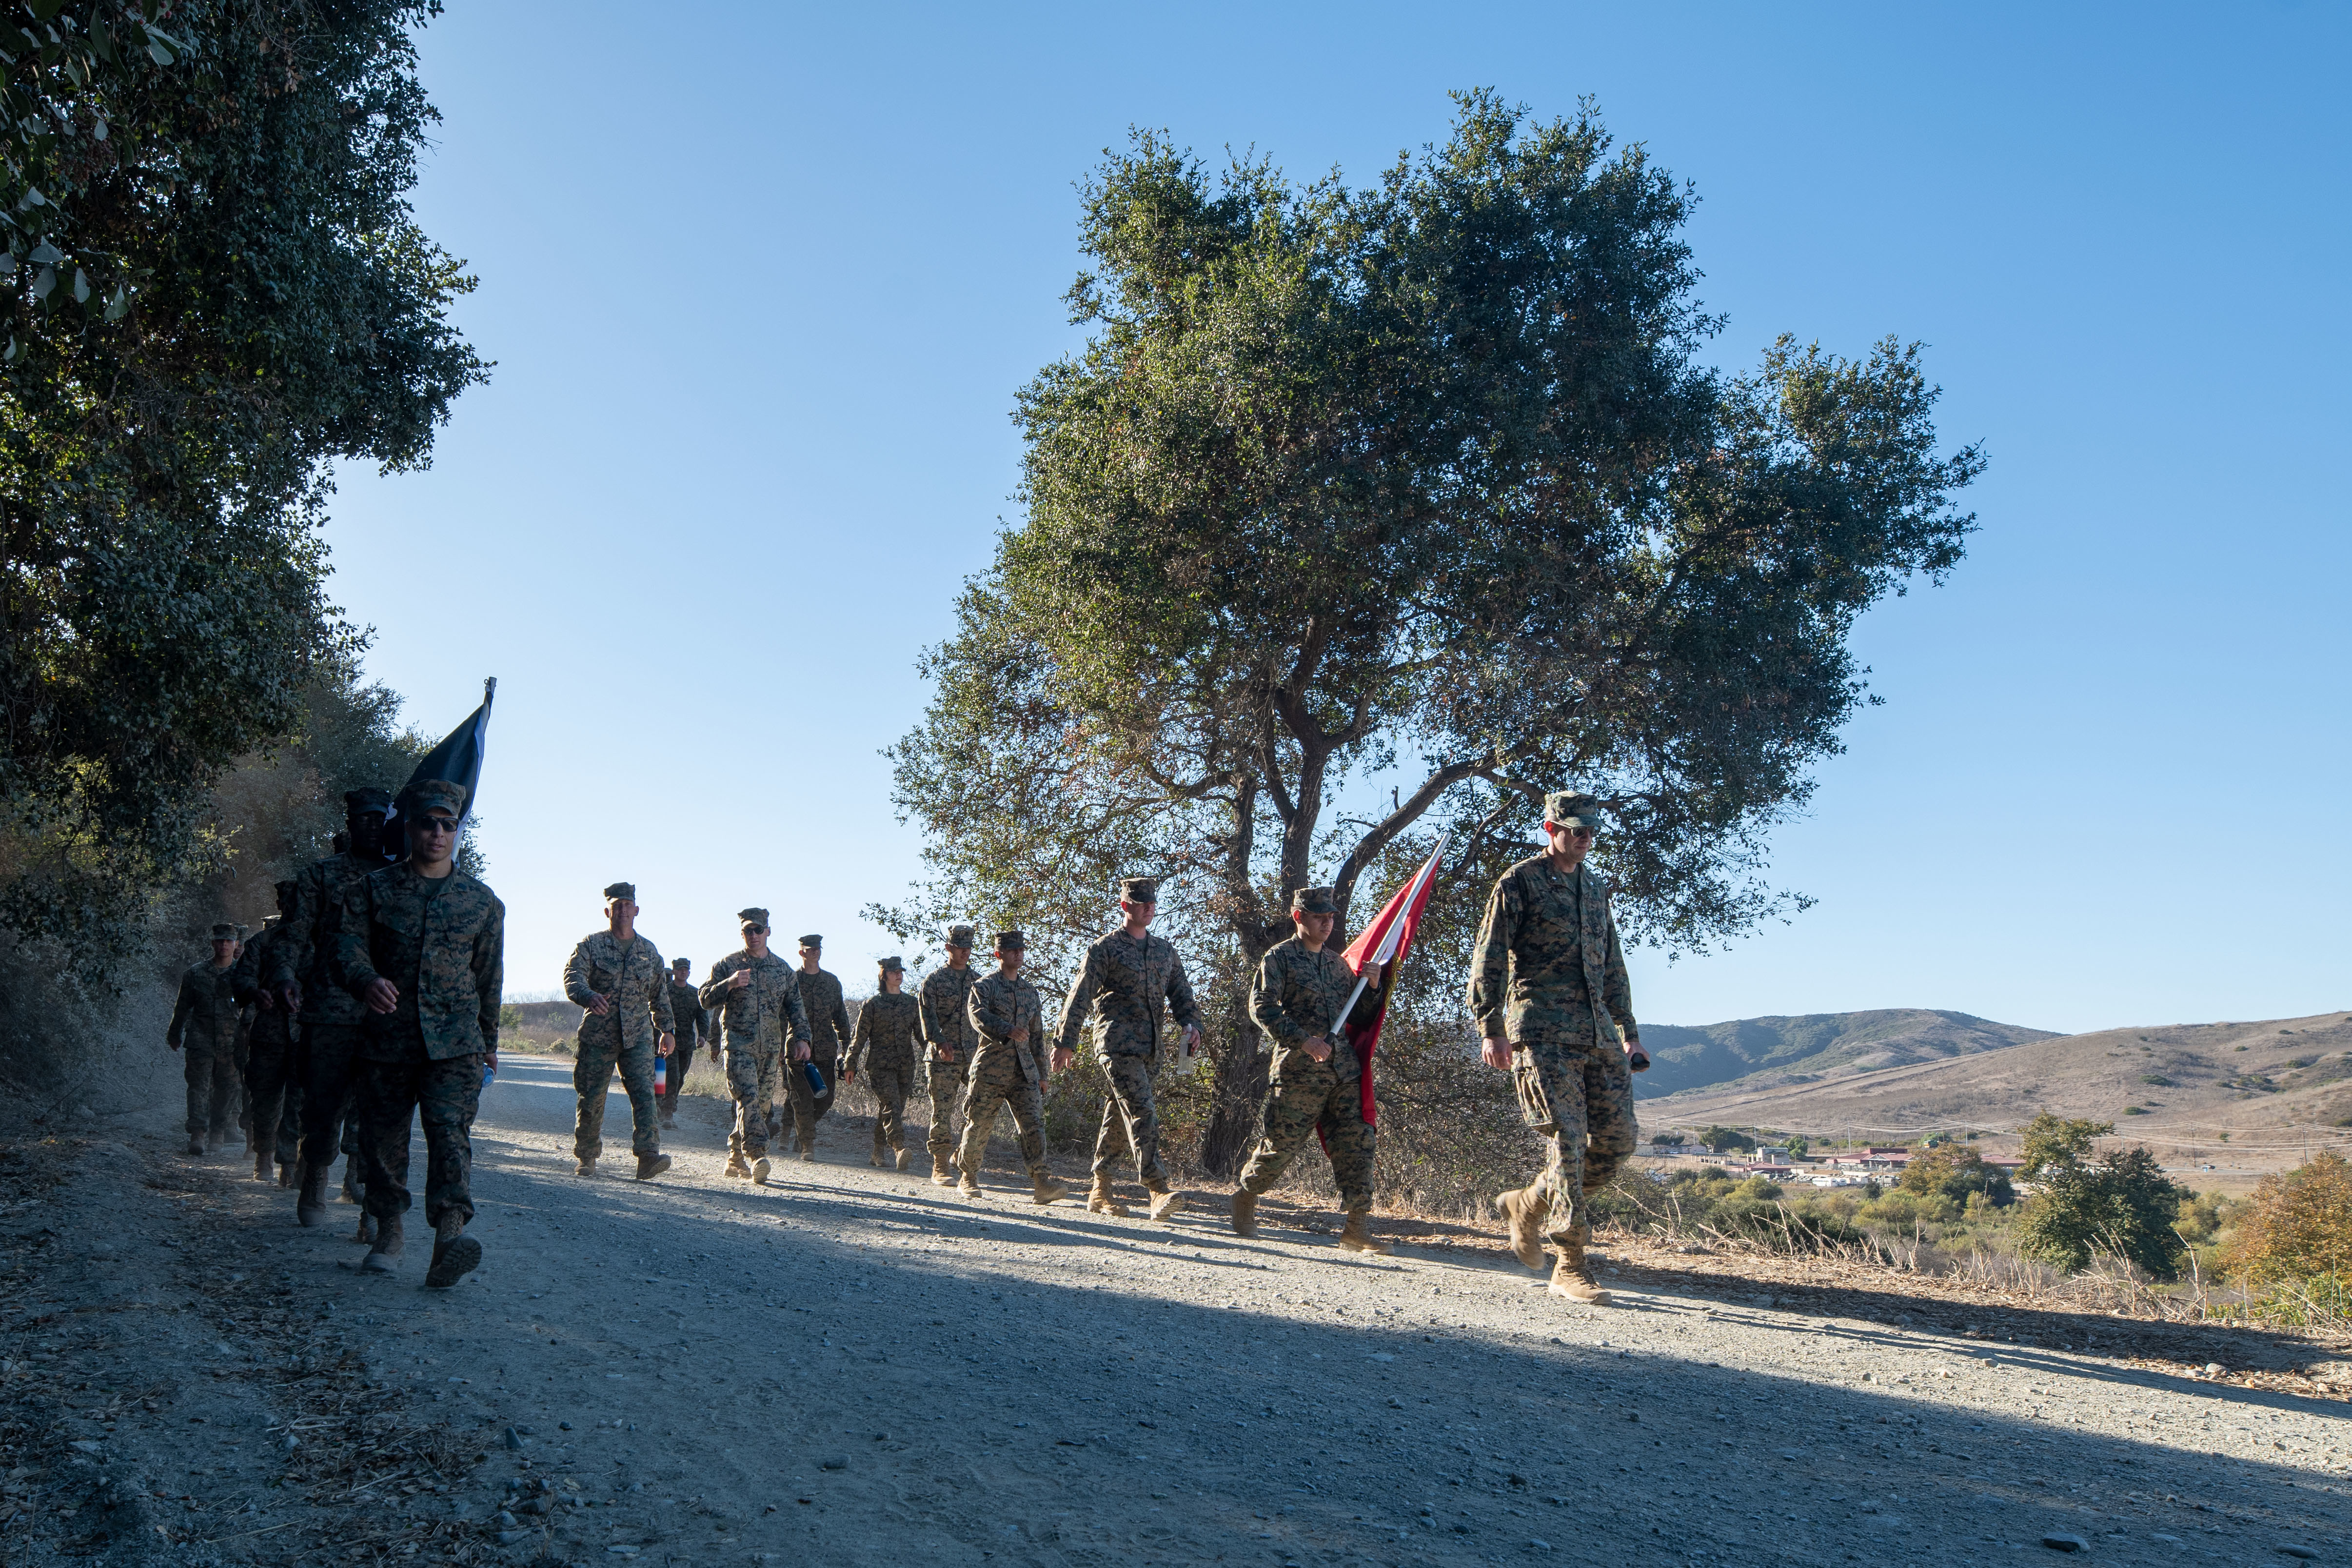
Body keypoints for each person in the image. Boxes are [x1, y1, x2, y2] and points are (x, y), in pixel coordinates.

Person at [1468, 790, 1648, 1305]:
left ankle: (1528, 1202)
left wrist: (1628, 1029)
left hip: (1596, 1034)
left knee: (1617, 1142)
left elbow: (1612, 963)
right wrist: (1490, 1026)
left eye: (1591, 830)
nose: (1585, 838)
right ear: (1551, 829)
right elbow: (1489, 957)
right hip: (1542, 1031)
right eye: (1575, 829)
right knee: (1566, 1139)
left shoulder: (1593, 887)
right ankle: (1569, 1262)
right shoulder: (1518, 881)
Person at [332, 779, 505, 1286]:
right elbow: (345, 949)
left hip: (455, 1043)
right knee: (383, 1138)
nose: (436, 832)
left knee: (451, 1137)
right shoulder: (374, 889)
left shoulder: (482, 903)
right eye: (427, 822)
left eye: (447, 824)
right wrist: (366, 980)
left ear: (457, 831)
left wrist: (489, 1041)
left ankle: (448, 1238)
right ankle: (389, 1229)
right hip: (388, 1038)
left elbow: (489, 977)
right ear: (409, 827)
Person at [1231, 889, 1387, 1251]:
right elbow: (1263, 1008)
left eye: (1330, 916)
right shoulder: (1280, 958)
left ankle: (1357, 1225)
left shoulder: (1337, 964)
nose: (1327, 922)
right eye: (1319, 916)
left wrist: (1373, 988)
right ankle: (1247, 1194)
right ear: (1298, 916)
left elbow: (1360, 1017)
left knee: (1358, 1143)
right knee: (1281, 1146)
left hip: (1343, 1072)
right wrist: (1302, 1040)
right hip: (1300, 1070)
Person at [271, 787, 398, 1228]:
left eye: (378, 819)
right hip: (329, 1008)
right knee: (323, 1105)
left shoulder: (397, 877)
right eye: (362, 819)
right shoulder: (320, 876)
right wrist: (286, 975)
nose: (370, 826)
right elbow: (293, 933)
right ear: (349, 824)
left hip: (385, 1011)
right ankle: (315, 1176)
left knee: (378, 1110)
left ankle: (366, 1194)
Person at [1055, 876, 1202, 1222]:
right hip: (1116, 1045)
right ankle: (1157, 1188)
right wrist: (1065, 1041)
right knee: (1142, 1111)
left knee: (1120, 1119)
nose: (1149, 908)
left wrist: (1192, 1025)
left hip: (1151, 1050)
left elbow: (1183, 995)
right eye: (1141, 903)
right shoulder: (1105, 948)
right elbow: (1079, 996)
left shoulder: (1165, 951)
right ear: (1126, 906)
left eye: (1152, 902)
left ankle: (1100, 1188)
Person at [562, 883, 677, 1180]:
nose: (623, 910)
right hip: (599, 1035)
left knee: (645, 1095)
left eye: (628, 905)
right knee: (592, 1097)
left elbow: (659, 995)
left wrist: (667, 1029)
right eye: (617, 906)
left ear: (636, 911)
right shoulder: (592, 944)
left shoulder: (649, 952)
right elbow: (572, 976)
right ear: (607, 911)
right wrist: (588, 996)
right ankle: (587, 1156)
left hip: (637, 1036)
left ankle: (648, 1157)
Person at [956, 932, 1071, 1205]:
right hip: (990, 1070)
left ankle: (1042, 1183)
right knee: (980, 1125)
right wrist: (1007, 1029)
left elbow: (1037, 1036)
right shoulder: (984, 987)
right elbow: (978, 1016)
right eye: (1012, 950)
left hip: (1024, 1073)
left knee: (1034, 1126)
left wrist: (1043, 1075)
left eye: (1021, 950)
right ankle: (968, 1177)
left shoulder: (1030, 992)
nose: (1018, 954)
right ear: (999, 955)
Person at [697, 909, 810, 1185]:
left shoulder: (782, 969)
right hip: (738, 1045)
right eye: (748, 930)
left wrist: (802, 1038)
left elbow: (796, 1008)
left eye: (758, 930)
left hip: (770, 1049)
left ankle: (735, 1157)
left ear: (768, 931)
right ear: (742, 933)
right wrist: (730, 983)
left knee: (759, 1106)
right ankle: (757, 1155)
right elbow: (704, 999)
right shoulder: (728, 965)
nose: (754, 935)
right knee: (747, 1098)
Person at [233, 883, 304, 1183]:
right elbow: (241, 978)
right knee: (265, 1096)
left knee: (299, 1100)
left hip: (306, 1032)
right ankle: (263, 1154)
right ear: (279, 902)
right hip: (270, 1031)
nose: (293, 906)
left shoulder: (317, 940)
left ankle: (289, 1163)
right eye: (287, 901)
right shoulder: (261, 942)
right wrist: (253, 992)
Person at [166, 924, 244, 1155]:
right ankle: (198, 1133)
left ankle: (218, 1133)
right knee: (198, 1087)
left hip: (232, 1042)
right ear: (213, 944)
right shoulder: (195, 973)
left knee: (228, 1089)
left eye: (229, 941)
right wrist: (174, 1033)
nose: (224, 945)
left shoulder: (243, 974)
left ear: (237, 945)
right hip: (200, 1039)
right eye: (220, 941)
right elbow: (182, 1007)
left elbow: (251, 1008)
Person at [916, 925, 980, 1186]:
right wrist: (941, 1042)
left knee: (978, 1110)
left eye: (969, 948)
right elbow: (927, 1019)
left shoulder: (979, 981)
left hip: (974, 1055)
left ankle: (962, 1158)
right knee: (942, 1111)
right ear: (949, 948)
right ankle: (940, 1164)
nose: (965, 952)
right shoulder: (934, 981)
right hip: (943, 1056)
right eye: (960, 947)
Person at [779, 933, 851, 1161]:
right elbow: (781, 1017)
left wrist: (847, 1047)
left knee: (825, 1099)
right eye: (811, 949)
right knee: (802, 1100)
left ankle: (802, 1132)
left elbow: (840, 1017)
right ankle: (807, 1145)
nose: (816, 952)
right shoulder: (791, 981)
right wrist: (780, 1048)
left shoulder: (831, 982)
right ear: (802, 952)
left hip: (826, 1050)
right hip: (797, 1051)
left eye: (818, 948)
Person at [844, 956, 919, 1170]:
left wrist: (938, 1052)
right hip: (880, 1066)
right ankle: (899, 1148)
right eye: (894, 971)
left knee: (890, 1109)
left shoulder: (912, 1004)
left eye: (901, 971)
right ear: (884, 975)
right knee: (892, 1106)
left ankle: (878, 1152)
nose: (899, 975)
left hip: (905, 1066)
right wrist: (851, 1064)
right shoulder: (873, 1005)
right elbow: (859, 1037)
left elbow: (922, 1035)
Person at [661, 957, 708, 1125]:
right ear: (674, 972)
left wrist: (703, 1035)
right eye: (680, 969)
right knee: (672, 1076)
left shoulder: (695, 994)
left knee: (680, 1078)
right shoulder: (665, 992)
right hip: (668, 1041)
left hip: (687, 1042)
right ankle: (667, 1112)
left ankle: (667, 1104)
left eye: (686, 969)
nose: (683, 972)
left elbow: (702, 1016)